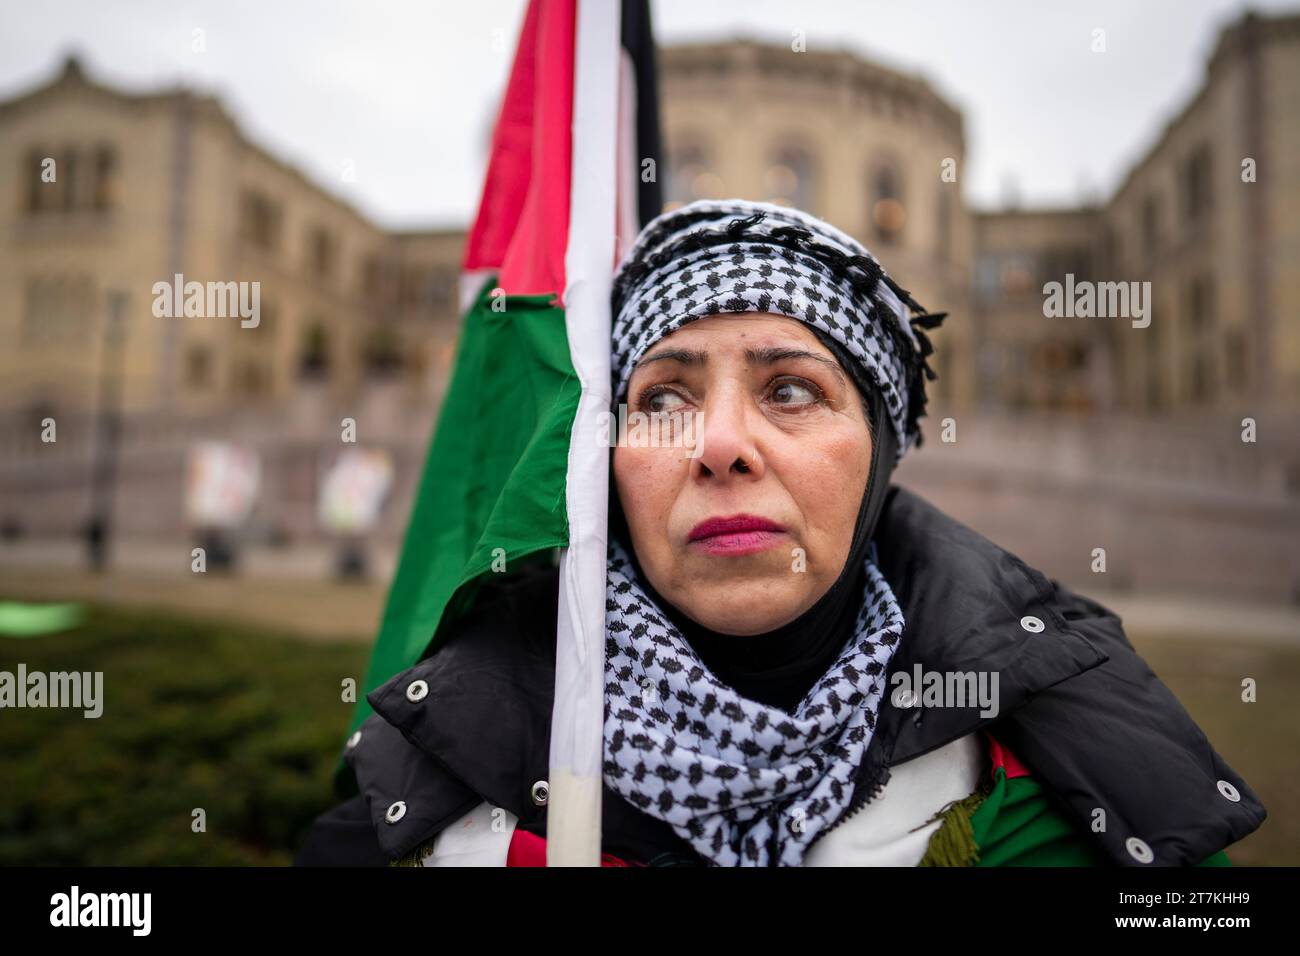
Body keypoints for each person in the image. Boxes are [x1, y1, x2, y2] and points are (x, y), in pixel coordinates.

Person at [295, 199, 1265, 867]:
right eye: (664, 395)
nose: (719, 445)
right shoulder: (417, 822)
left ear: (879, 452)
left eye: (790, 389)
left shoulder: (1092, 813)